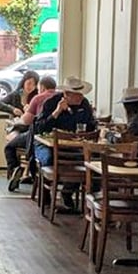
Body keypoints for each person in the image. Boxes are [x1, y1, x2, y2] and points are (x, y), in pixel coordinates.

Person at [33, 76, 96, 210]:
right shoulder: (51, 103)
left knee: (86, 161)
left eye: (81, 94)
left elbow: (91, 125)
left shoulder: (84, 105)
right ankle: (45, 194)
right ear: (66, 95)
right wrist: (57, 112)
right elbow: (40, 128)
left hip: (72, 146)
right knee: (49, 158)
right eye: (77, 95)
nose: (80, 97)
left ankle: (67, 192)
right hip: (46, 144)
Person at [6, 75, 58, 191]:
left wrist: (26, 111)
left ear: (42, 87)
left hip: (38, 136)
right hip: (58, 139)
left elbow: (26, 121)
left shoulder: (38, 98)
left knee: (9, 146)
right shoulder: (62, 99)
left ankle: (15, 168)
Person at [0, 73, 39, 191]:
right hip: (18, 126)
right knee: (12, 141)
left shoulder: (36, 97)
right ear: (23, 82)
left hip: (31, 128)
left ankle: (22, 171)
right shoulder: (16, 95)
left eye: (34, 84)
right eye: (29, 83)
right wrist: (13, 109)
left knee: (28, 142)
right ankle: (17, 170)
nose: (30, 87)